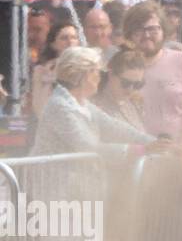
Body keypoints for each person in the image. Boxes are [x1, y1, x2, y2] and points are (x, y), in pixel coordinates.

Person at [29, 47, 168, 161]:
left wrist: (158, 144)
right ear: (81, 75)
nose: (99, 76)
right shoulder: (60, 107)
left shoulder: (82, 104)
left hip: (75, 188)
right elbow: (87, 146)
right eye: (95, 71)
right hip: (53, 190)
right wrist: (141, 150)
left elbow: (115, 127)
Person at [121, 1, 182, 139]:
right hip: (141, 153)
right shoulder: (120, 70)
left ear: (163, 31)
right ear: (129, 35)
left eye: (152, 29)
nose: (146, 35)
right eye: (139, 30)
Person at [27, 21, 82, 118]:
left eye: (74, 37)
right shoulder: (41, 71)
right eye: (64, 38)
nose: (70, 42)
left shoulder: (87, 68)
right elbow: (39, 107)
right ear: (53, 44)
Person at [93, 49, 149, 132]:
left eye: (137, 84)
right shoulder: (93, 105)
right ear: (111, 74)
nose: (131, 90)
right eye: (126, 83)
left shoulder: (136, 102)